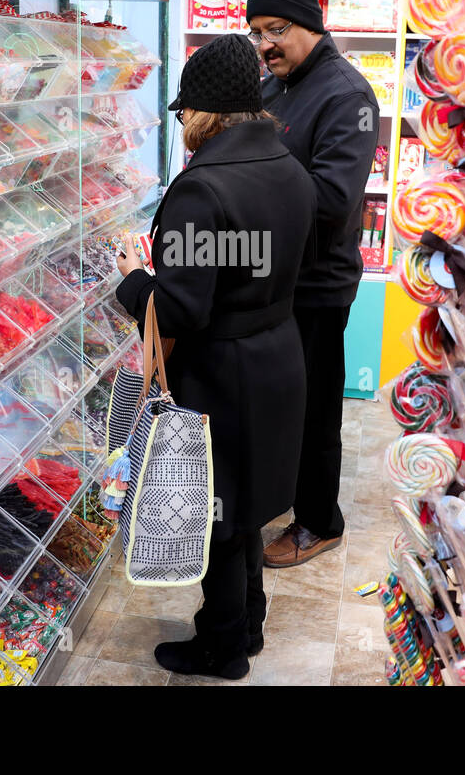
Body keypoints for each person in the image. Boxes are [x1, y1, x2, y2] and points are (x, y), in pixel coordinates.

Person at [114, 34, 315, 679]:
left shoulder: (201, 190)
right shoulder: (287, 165)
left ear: (202, 112)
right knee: (249, 503)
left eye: (182, 113)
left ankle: (221, 647)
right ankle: (248, 624)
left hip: (224, 371)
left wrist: (132, 279)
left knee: (219, 514)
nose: (179, 124)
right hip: (278, 353)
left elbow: (180, 310)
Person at [246, 0, 381, 569]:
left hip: (317, 284)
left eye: (275, 29)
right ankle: (283, 497)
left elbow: (331, 201)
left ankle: (319, 521)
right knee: (280, 403)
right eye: (255, 33)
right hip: (271, 276)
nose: (265, 44)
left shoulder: (346, 94)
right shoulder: (277, 81)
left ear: (308, 24)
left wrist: (254, 185)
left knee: (316, 406)